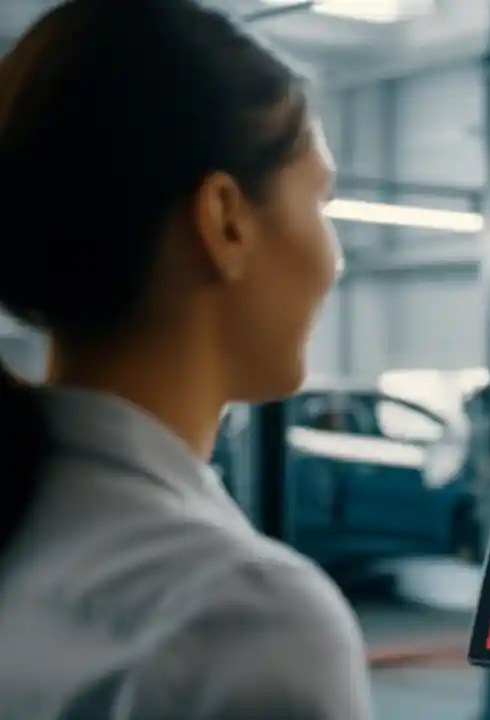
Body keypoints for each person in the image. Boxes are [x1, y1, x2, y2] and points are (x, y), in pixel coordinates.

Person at [0, 1, 372, 717]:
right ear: (224, 220)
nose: (336, 260)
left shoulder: (33, 530)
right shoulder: (240, 618)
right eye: (321, 201)